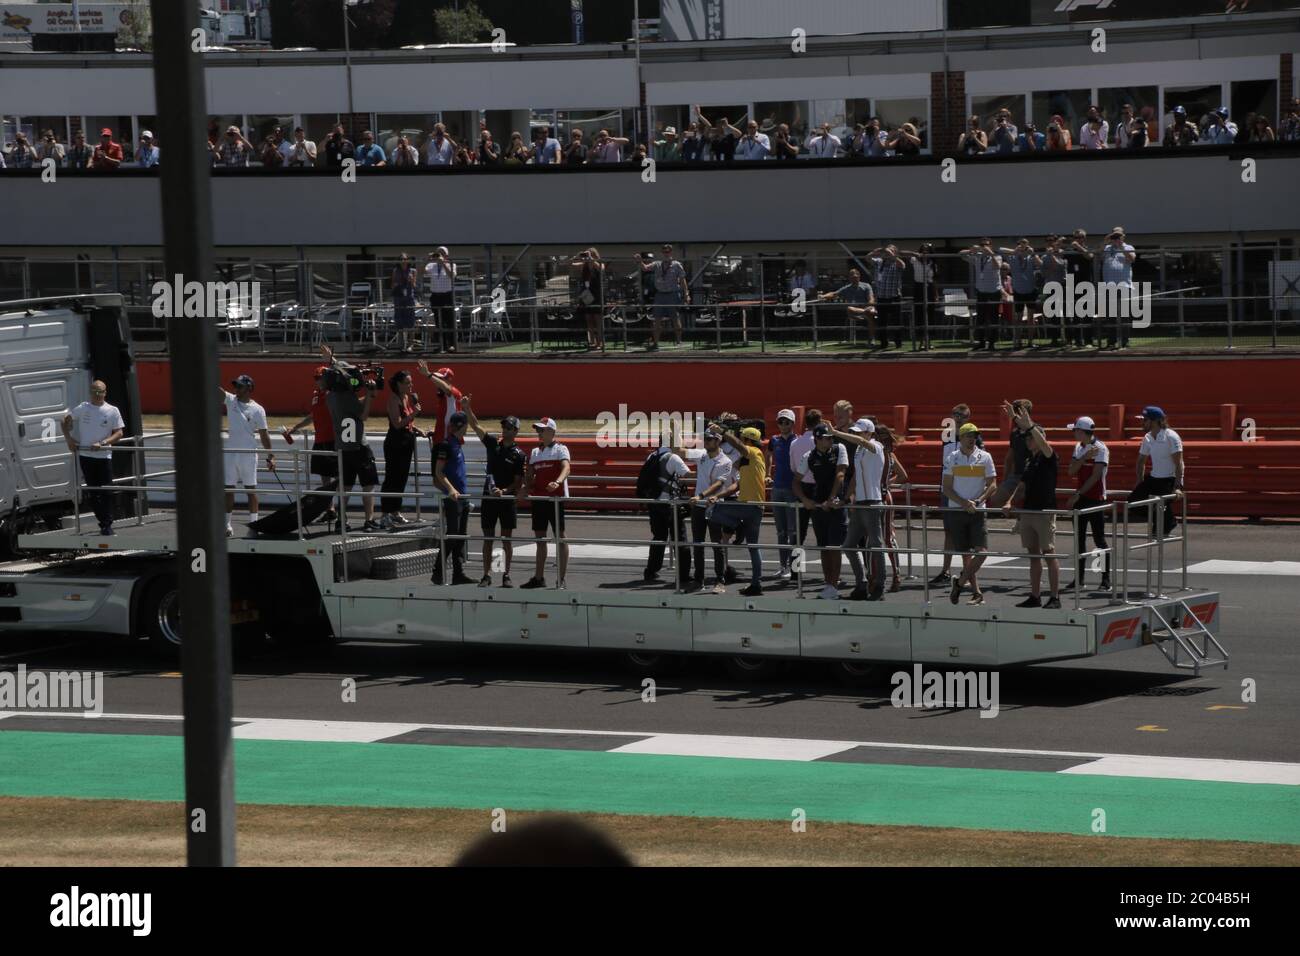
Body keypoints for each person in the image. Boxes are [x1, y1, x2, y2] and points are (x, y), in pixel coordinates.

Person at [1000, 402, 1061, 609]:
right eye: (1026, 438)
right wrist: (1010, 501)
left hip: (1044, 511)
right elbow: (1022, 483)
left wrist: (1030, 427)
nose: (1027, 441)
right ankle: (1035, 596)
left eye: (1030, 438)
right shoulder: (1029, 461)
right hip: (1028, 510)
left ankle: (1054, 597)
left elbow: (1045, 446)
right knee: (1033, 555)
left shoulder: (1048, 457)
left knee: (1049, 554)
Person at [462, 400, 526, 588]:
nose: (505, 429)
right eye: (503, 426)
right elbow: (476, 425)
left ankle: (506, 574)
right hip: (489, 498)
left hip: (506, 500)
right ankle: (486, 574)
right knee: (488, 538)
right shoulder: (492, 444)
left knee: (506, 539)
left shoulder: (519, 454)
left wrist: (504, 491)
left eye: (509, 427)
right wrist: (467, 409)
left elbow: (518, 482)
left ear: (515, 431)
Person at [318, 345, 380, 532]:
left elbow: (344, 378)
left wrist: (332, 360)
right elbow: (363, 415)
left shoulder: (331, 398)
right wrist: (370, 396)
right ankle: (369, 520)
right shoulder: (349, 398)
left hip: (343, 447)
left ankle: (341, 520)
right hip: (359, 446)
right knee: (368, 485)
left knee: (345, 487)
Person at [941, 422, 996, 605]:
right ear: (961, 438)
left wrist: (978, 501)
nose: (972, 439)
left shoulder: (985, 457)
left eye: (974, 435)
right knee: (966, 554)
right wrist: (964, 503)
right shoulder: (952, 458)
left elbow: (992, 484)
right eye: (968, 435)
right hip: (958, 510)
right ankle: (977, 593)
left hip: (978, 511)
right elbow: (946, 488)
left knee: (982, 552)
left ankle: (960, 582)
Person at [62, 380, 125, 536]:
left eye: (100, 392)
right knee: (92, 491)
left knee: (106, 491)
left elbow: (119, 433)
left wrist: (103, 443)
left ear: (105, 392)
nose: (98, 395)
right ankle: (103, 522)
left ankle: (107, 524)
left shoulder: (112, 410)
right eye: (95, 392)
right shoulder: (83, 408)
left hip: (104, 456)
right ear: (90, 392)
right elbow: (64, 420)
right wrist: (69, 439)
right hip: (86, 456)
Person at [833, 418, 886, 601]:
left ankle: (879, 584)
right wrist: (846, 498)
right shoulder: (859, 450)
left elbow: (864, 442)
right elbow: (855, 477)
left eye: (859, 432)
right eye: (855, 432)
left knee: (876, 545)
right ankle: (861, 583)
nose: (856, 435)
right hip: (860, 503)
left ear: (869, 433)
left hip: (872, 502)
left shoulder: (875, 445)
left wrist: (838, 433)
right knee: (848, 546)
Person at [795, 424, 849, 600]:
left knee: (835, 546)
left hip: (836, 503)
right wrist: (805, 500)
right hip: (819, 504)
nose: (830, 440)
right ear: (817, 439)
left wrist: (832, 498)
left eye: (831, 437)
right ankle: (828, 584)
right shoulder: (808, 456)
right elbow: (795, 482)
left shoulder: (839, 449)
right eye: (826, 438)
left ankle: (834, 584)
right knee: (824, 546)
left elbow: (840, 475)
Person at [218, 375, 276, 537]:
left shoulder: (258, 409)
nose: (236, 389)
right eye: (236, 385)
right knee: (228, 490)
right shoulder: (231, 401)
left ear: (249, 388)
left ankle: (254, 526)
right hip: (231, 454)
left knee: (251, 490)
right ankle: (226, 525)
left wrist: (271, 455)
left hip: (248, 455)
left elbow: (264, 435)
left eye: (240, 386)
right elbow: (217, 391)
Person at [715, 425, 768, 596]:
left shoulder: (752, 452)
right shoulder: (752, 460)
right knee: (753, 547)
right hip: (752, 504)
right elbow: (736, 469)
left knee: (712, 511)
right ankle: (756, 583)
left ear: (746, 440)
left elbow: (739, 448)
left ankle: (737, 526)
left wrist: (723, 432)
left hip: (748, 505)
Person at [283, 365, 339, 528]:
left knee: (338, 477)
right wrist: (295, 427)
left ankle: (342, 513)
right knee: (324, 476)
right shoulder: (316, 395)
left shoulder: (333, 394)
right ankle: (330, 509)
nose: (318, 381)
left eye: (320, 377)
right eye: (316, 378)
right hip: (320, 440)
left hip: (333, 440)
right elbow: (313, 416)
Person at [520, 418, 570, 589]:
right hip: (538, 500)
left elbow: (566, 468)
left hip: (555, 500)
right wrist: (525, 486)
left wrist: (557, 481)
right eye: (538, 430)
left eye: (542, 430)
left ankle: (561, 579)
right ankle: (539, 578)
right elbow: (530, 475)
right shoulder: (534, 452)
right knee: (540, 540)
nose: (538, 433)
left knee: (560, 538)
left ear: (552, 432)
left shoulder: (560, 448)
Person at [641, 424, 693, 588]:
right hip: (671, 504)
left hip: (655, 503)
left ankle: (651, 570)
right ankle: (684, 574)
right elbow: (688, 475)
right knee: (680, 539)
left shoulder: (651, 456)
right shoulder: (673, 457)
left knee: (658, 537)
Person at [1065, 415, 1111, 592]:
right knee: (1080, 540)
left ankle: (1105, 579)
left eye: (1075, 430)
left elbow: (1096, 475)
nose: (1073, 433)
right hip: (1081, 499)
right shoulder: (1079, 448)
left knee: (1099, 540)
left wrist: (1078, 494)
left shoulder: (1101, 448)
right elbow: (1071, 471)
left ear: (1082, 431)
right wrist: (1084, 457)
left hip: (1095, 498)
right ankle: (1080, 579)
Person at [430, 410, 474, 585]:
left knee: (460, 536)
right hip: (453, 497)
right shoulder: (446, 445)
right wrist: (450, 490)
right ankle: (437, 571)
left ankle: (458, 573)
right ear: (462, 426)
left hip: (462, 497)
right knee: (453, 535)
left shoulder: (457, 444)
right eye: (465, 425)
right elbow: (439, 472)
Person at [686, 430, 733, 593]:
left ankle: (720, 580)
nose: (706, 441)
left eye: (710, 439)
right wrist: (673, 434)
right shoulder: (702, 455)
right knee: (697, 544)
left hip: (716, 506)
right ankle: (699, 580)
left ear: (718, 441)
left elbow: (719, 484)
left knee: (717, 544)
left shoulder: (725, 461)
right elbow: (678, 451)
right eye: (705, 439)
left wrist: (700, 495)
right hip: (698, 507)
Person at [931, 403, 972, 586]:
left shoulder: (973, 436)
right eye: (955, 415)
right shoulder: (947, 434)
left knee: (965, 532)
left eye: (961, 416)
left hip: (964, 489)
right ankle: (945, 571)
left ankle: (968, 571)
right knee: (948, 531)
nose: (957, 418)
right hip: (947, 487)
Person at [1130, 406, 1183, 539]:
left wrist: (1177, 487)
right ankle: (1167, 519)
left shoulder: (1171, 436)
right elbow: (1141, 461)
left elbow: (1179, 463)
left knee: (1158, 530)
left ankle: (1165, 521)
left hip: (1169, 479)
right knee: (1133, 503)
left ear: (1155, 421)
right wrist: (1139, 481)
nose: (1142, 423)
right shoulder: (1147, 437)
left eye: (1145, 420)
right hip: (1154, 477)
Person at [379, 370, 422, 530]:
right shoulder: (393, 399)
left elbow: (407, 421)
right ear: (398, 384)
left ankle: (395, 511)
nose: (411, 385)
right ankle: (385, 514)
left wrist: (417, 429)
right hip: (395, 443)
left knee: (402, 478)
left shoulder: (406, 398)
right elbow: (397, 423)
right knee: (392, 478)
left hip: (406, 442)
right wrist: (414, 415)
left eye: (411, 382)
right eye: (407, 383)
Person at [767, 409, 799, 581]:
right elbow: (768, 455)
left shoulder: (798, 440)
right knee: (781, 532)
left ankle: (797, 568)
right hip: (778, 488)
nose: (783, 425)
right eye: (781, 422)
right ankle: (783, 566)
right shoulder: (774, 440)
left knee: (795, 531)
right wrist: (767, 472)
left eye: (787, 422)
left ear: (793, 424)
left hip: (793, 489)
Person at [989, 398, 1034, 510]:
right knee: (995, 500)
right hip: (1016, 475)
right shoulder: (1015, 433)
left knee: (1019, 501)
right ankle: (1019, 517)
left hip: (1032, 476)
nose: (1012, 416)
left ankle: (1021, 518)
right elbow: (1009, 457)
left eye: (1014, 412)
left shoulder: (1036, 431)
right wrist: (1005, 480)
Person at [877, 424, 908, 592]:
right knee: (879, 538)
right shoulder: (884, 454)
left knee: (887, 538)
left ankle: (895, 575)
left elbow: (903, 476)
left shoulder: (886, 455)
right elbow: (903, 476)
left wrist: (888, 483)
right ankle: (882, 575)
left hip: (881, 496)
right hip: (877, 496)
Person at [643, 243, 689, 350]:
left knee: (675, 317)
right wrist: (640, 261)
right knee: (657, 319)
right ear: (662, 253)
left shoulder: (677, 265)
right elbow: (645, 268)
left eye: (668, 251)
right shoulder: (657, 264)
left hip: (672, 294)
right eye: (664, 251)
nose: (666, 253)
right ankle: (655, 343)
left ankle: (679, 342)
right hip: (660, 295)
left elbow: (683, 280)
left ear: (671, 252)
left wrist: (686, 294)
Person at [1099, 227, 1137, 349]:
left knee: (1125, 315)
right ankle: (1111, 341)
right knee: (1111, 316)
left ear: (1123, 236)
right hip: (1109, 286)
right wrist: (1105, 242)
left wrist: (1121, 247)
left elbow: (1132, 259)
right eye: (1114, 236)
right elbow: (1097, 256)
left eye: (1118, 236)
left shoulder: (1128, 247)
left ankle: (1125, 341)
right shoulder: (1107, 248)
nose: (1116, 238)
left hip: (1124, 285)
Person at [817, 268, 876, 345]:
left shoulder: (866, 286)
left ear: (859, 276)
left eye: (856, 277)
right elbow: (834, 294)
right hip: (854, 311)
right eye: (852, 277)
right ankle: (865, 313)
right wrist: (823, 296)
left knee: (870, 312)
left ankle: (871, 339)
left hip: (866, 308)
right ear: (849, 278)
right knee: (849, 308)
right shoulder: (846, 288)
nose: (854, 278)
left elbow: (871, 298)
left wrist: (869, 306)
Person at [963, 239, 1003, 351]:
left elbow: (997, 266)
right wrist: (971, 249)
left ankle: (992, 343)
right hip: (981, 292)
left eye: (986, 244)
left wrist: (990, 253)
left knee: (993, 318)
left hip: (994, 292)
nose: (984, 247)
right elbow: (960, 255)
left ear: (991, 245)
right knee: (980, 318)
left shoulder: (997, 256)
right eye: (982, 245)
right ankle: (981, 342)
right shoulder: (977, 257)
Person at [867, 246, 908, 349]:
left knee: (896, 321)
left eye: (890, 252)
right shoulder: (879, 262)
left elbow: (903, 265)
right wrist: (876, 250)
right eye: (886, 252)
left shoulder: (897, 263)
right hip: (881, 297)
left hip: (894, 297)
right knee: (881, 322)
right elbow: (867, 258)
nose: (886, 254)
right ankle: (883, 343)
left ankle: (898, 342)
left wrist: (890, 253)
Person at [415, 360, 463, 443]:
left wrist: (428, 374)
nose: (437, 381)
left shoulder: (453, 393)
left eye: (440, 378)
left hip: (448, 442)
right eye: (437, 378)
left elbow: (447, 388)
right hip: (441, 439)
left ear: (449, 380)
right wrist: (436, 431)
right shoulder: (445, 396)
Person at [571, 247, 606, 351]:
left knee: (598, 320)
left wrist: (591, 258)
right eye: (587, 255)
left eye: (590, 254)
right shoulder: (584, 265)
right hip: (586, 294)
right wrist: (577, 257)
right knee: (589, 320)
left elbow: (601, 268)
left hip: (596, 294)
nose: (587, 257)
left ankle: (600, 342)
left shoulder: (599, 263)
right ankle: (592, 341)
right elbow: (570, 264)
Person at [424, 247, 458, 353]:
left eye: (442, 253)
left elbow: (452, 276)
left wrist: (443, 263)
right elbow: (421, 272)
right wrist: (427, 259)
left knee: (450, 321)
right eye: (438, 253)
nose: (440, 255)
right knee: (439, 322)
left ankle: (452, 344)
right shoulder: (431, 265)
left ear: (447, 255)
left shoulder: (451, 265)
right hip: (435, 296)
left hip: (447, 295)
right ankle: (442, 345)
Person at [391, 253, 419, 353]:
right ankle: (402, 344)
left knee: (410, 321)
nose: (403, 261)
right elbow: (392, 284)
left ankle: (411, 345)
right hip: (399, 297)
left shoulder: (413, 271)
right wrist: (397, 284)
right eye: (401, 259)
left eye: (405, 259)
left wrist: (411, 280)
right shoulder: (396, 270)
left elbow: (415, 286)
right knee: (400, 321)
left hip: (408, 297)